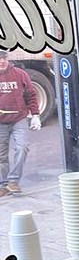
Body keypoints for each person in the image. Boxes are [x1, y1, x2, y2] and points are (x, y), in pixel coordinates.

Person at [0, 54, 41, 197]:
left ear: (8, 59)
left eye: (4, 58)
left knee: (22, 147)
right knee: (1, 156)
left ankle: (13, 181)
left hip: (19, 118)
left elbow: (30, 94)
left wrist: (35, 115)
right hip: (1, 122)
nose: (2, 61)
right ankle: (2, 185)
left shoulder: (19, 74)